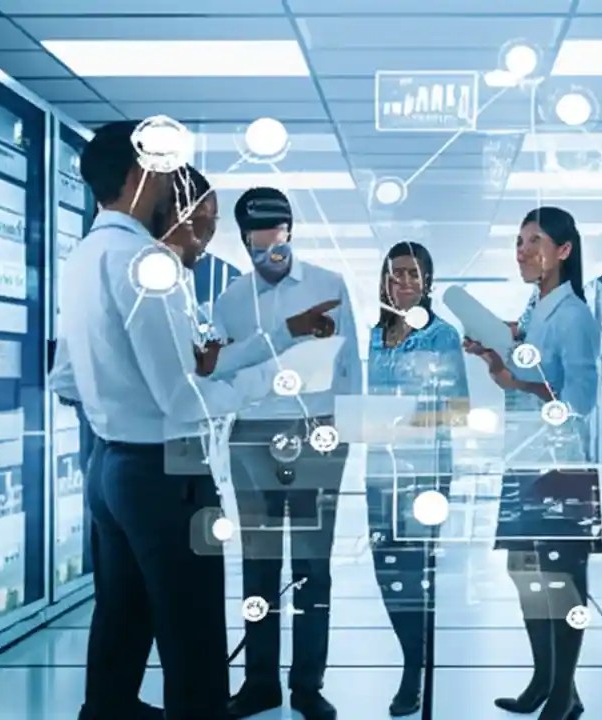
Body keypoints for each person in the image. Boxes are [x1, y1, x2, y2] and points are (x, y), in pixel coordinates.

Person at [58, 122, 273, 720]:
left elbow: (65, 379)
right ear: (140, 174)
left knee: (122, 617)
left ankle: (108, 712)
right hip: (167, 470)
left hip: (109, 467)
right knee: (193, 634)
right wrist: (267, 380)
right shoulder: (145, 262)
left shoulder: (84, 256)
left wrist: (117, 399)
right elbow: (183, 400)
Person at [216, 187, 363, 720]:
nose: (270, 252)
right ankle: (260, 683)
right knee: (258, 567)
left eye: (278, 240)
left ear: (291, 232)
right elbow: (221, 371)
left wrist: (343, 434)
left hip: (316, 434)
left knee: (311, 566)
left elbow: (350, 366)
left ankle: (307, 685)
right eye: (258, 244)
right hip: (252, 437)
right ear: (243, 240)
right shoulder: (230, 300)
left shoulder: (328, 285)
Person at [464, 207, 600, 720]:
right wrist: (497, 356)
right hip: (524, 461)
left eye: (534, 241)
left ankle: (563, 695)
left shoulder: (574, 316)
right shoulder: (536, 308)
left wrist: (514, 381)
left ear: (563, 250)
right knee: (524, 571)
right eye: (519, 242)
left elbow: (581, 400)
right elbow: (532, 367)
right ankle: (546, 680)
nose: (522, 251)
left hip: (562, 469)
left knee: (562, 582)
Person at [365, 241, 469, 716]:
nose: (404, 281)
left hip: (425, 472)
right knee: (386, 571)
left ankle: (414, 671)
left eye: (413, 273)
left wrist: (404, 422)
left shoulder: (442, 336)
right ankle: (412, 656)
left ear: (428, 282)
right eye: (396, 273)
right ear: (384, 281)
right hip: (379, 471)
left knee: (414, 572)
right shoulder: (374, 336)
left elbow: (458, 408)